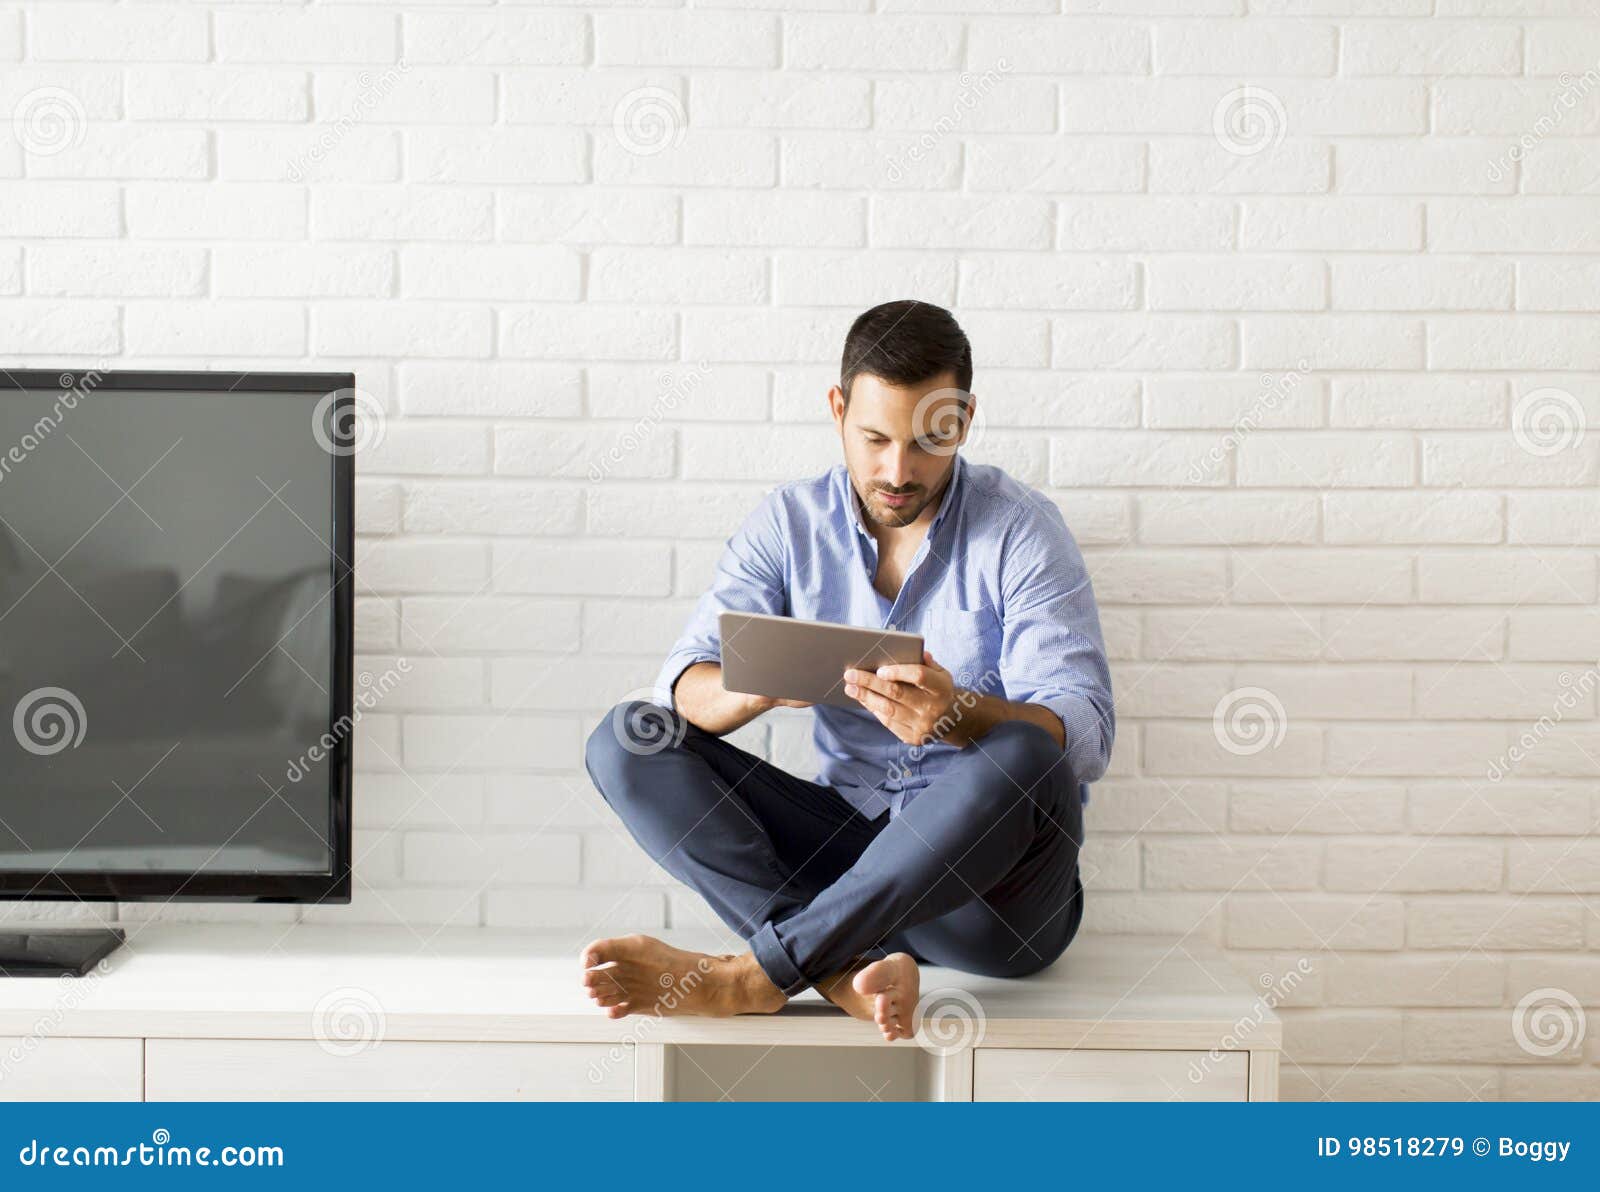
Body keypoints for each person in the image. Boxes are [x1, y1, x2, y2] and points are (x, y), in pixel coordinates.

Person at [582, 300, 1115, 1042]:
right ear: (838, 411)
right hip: (847, 855)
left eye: (929, 442)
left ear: (963, 420)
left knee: (1026, 752)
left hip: (989, 904)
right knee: (626, 738)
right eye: (875, 439)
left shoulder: (1021, 529)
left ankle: (753, 976)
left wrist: (961, 715)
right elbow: (683, 687)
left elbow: (1084, 739)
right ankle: (840, 969)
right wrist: (755, 681)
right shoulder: (789, 524)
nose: (898, 472)